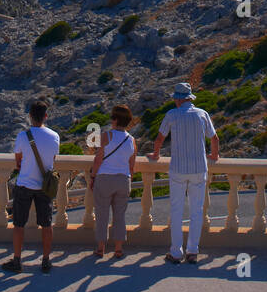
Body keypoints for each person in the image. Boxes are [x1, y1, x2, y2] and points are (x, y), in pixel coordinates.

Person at [149, 82, 219, 264]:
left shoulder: (172, 115)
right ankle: (193, 251)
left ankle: (176, 252)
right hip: (199, 168)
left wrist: (155, 154)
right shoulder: (202, 114)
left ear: (178, 99)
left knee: (176, 210)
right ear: (190, 98)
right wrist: (214, 155)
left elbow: (159, 138)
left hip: (178, 169)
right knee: (197, 211)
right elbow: (214, 138)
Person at [2, 101, 60, 274]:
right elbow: (53, 158)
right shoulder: (54, 136)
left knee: (19, 224)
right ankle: (46, 260)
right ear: (46, 116)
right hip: (44, 185)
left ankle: (17, 260)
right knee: (47, 224)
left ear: (30, 116)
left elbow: (18, 160)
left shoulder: (22, 136)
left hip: (25, 183)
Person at [89, 104, 137, 259]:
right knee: (120, 215)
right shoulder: (132, 140)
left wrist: (93, 176)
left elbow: (98, 159)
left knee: (102, 214)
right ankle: (118, 248)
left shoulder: (106, 136)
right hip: (123, 179)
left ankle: (101, 248)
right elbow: (131, 165)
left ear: (115, 120)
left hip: (105, 178)